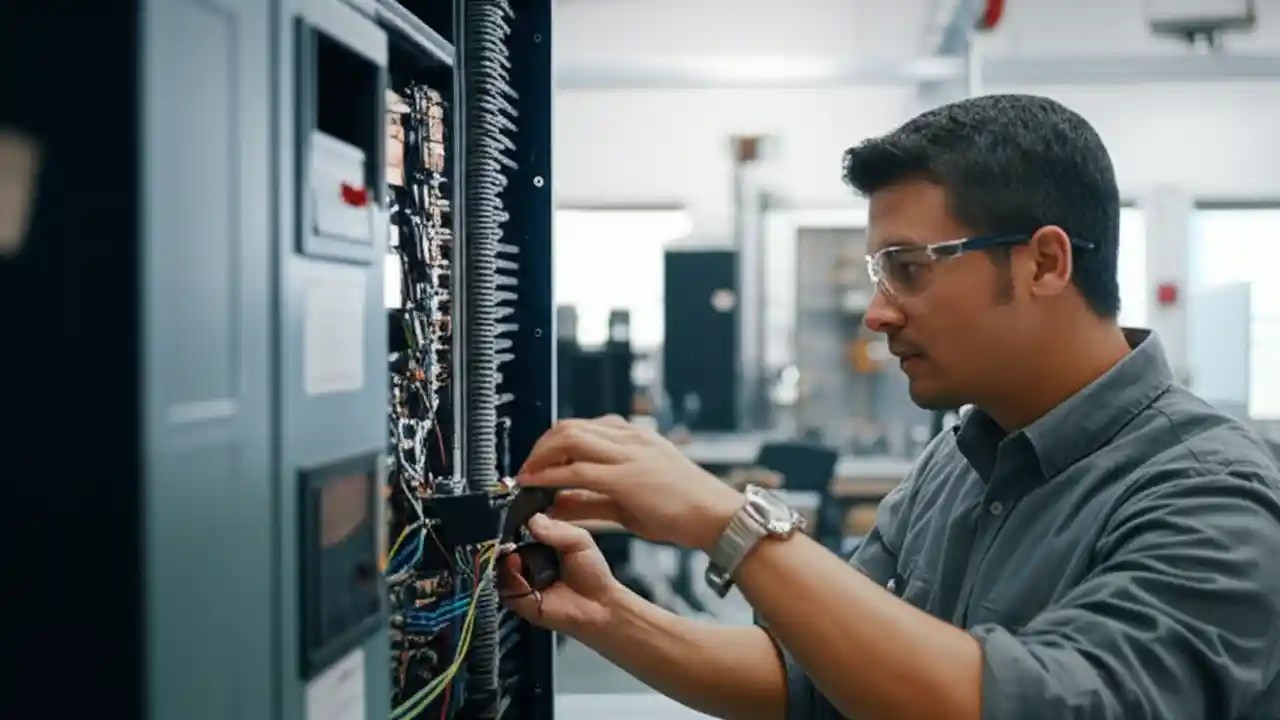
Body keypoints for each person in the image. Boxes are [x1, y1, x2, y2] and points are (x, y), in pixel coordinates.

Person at [498, 94, 1280, 719]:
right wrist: (609, 617)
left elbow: (1031, 705)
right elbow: (820, 680)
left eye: (908, 268)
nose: (877, 313)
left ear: (1045, 262)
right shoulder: (958, 460)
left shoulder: (1210, 495)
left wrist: (724, 519)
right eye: (878, 271)